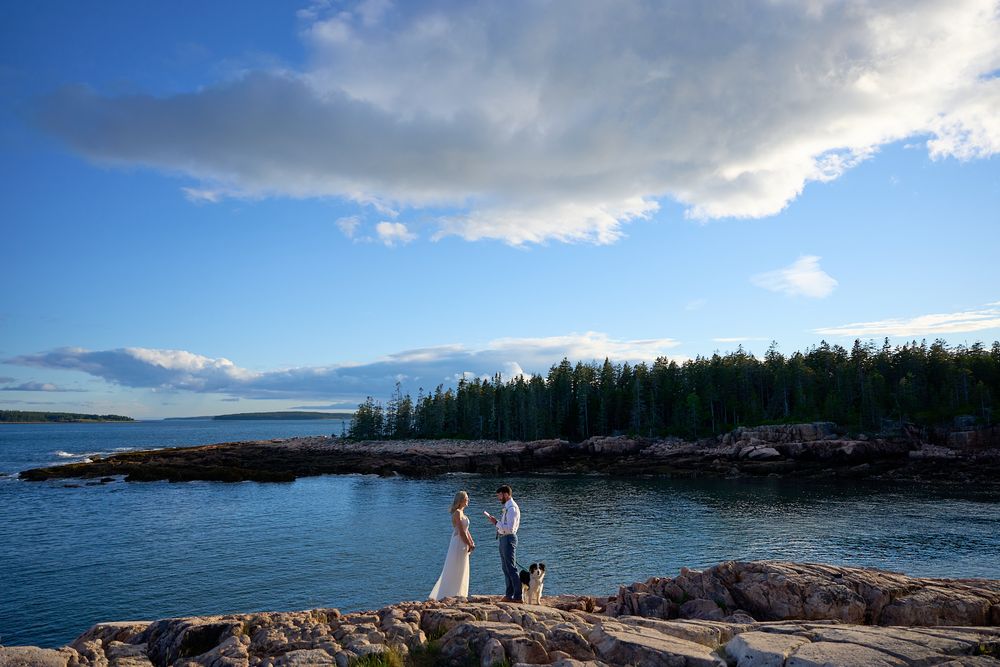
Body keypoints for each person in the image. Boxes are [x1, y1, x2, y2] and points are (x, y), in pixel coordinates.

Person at [429, 490, 475, 600]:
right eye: (466, 498)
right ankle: (450, 594)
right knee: (456, 567)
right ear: (461, 500)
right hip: (458, 542)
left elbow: (466, 530)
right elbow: (461, 531)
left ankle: (459, 593)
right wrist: (469, 543)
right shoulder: (458, 513)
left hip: (462, 542)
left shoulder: (462, 513)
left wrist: (471, 541)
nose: (468, 500)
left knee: (461, 567)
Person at [485, 484, 521, 602]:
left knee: (511, 568)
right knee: (506, 568)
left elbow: (509, 528)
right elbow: (505, 526)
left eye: (499, 495)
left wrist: (496, 522)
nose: (498, 498)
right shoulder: (507, 507)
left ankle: (518, 596)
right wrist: (497, 523)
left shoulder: (512, 508)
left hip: (508, 538)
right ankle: (509, 594)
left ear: (506, 494)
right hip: (503, 538)